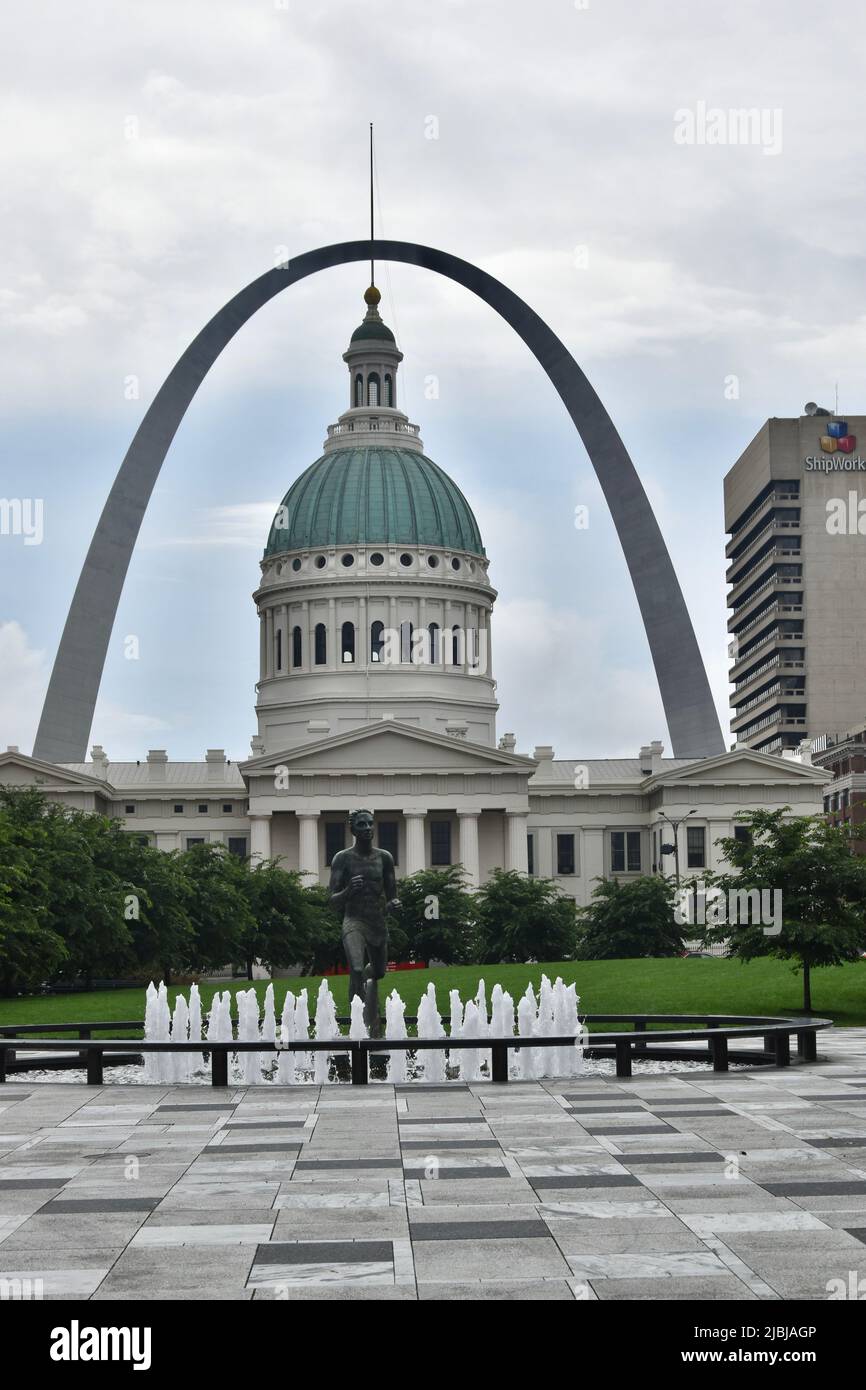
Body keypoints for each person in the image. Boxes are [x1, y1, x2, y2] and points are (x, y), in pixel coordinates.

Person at [328, 809, 399, 1034]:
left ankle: (368, 994)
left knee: (378, 972)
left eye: (370, 824)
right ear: (353, 830)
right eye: (362, 825)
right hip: (354, 921)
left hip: (377, 923)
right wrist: (348, 890)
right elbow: (331, 901)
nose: (368, 828)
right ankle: (360, 1023)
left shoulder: (384, 858)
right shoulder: (343, 859)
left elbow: (392, 894)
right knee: (356, 969)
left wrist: (394, 905)